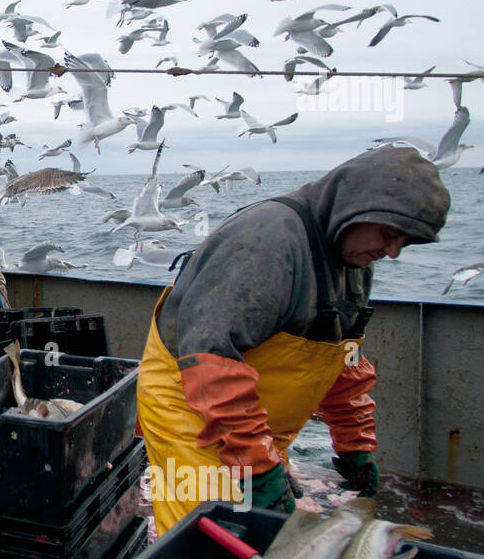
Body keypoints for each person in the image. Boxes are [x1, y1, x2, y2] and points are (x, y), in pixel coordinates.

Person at [136, 146, 451, 536]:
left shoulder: (352, 260)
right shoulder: (267, 242)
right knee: (212, 536)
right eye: (389, 233)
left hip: (252, 423)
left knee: (266, 535)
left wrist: (355, 443)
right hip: (193, 412)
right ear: (355, 206)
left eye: (405, 241)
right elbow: (210, 361)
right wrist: (256, 467)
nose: (393, 251)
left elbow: (344, 359)